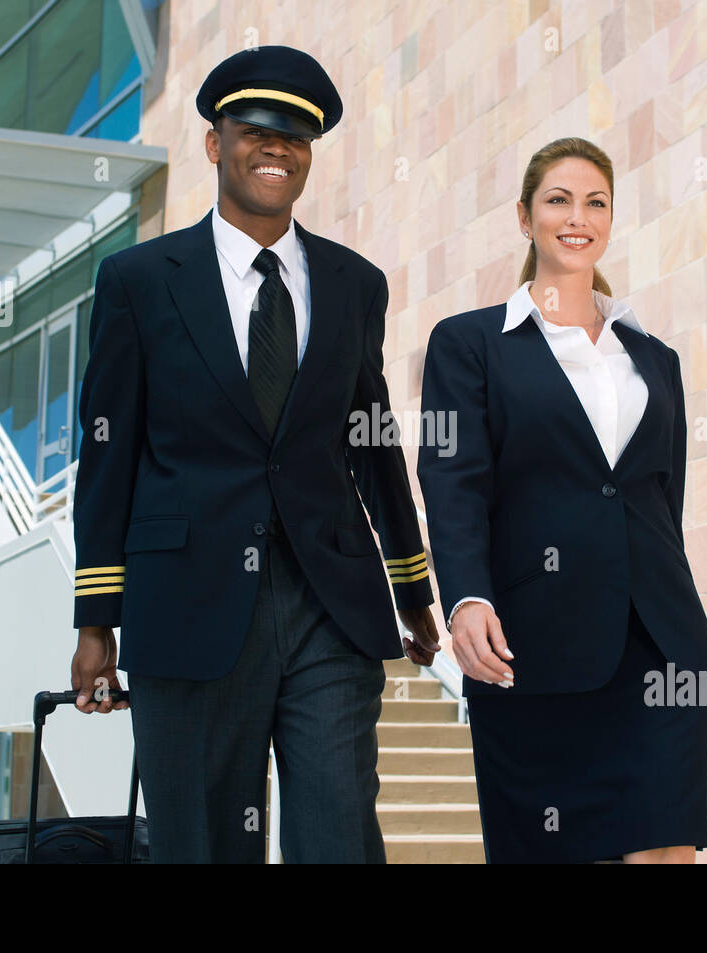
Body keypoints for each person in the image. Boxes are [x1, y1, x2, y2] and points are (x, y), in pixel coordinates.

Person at [67, 45, 442, 863]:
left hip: (329, 604)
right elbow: (107, 453)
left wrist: (412, 584)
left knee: (339, 837)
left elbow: (372, 443)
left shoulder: (354, 284)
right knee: (198, 844)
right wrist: (97, 617)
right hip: (187, 602)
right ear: (214, 144)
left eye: (296, 137)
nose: (276, 149)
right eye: (255, 131)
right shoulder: (138, 280)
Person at [416, 137, 707, 864]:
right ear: (525, 217)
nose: (577, 216)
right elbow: (453, 482)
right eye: (558, 199)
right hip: (533, 648)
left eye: (596, 202)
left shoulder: (654, 357)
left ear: (611, 219)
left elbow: (660, 501)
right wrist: (465, 598)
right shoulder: (470, 345)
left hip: (660, 644)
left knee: (664, 850)